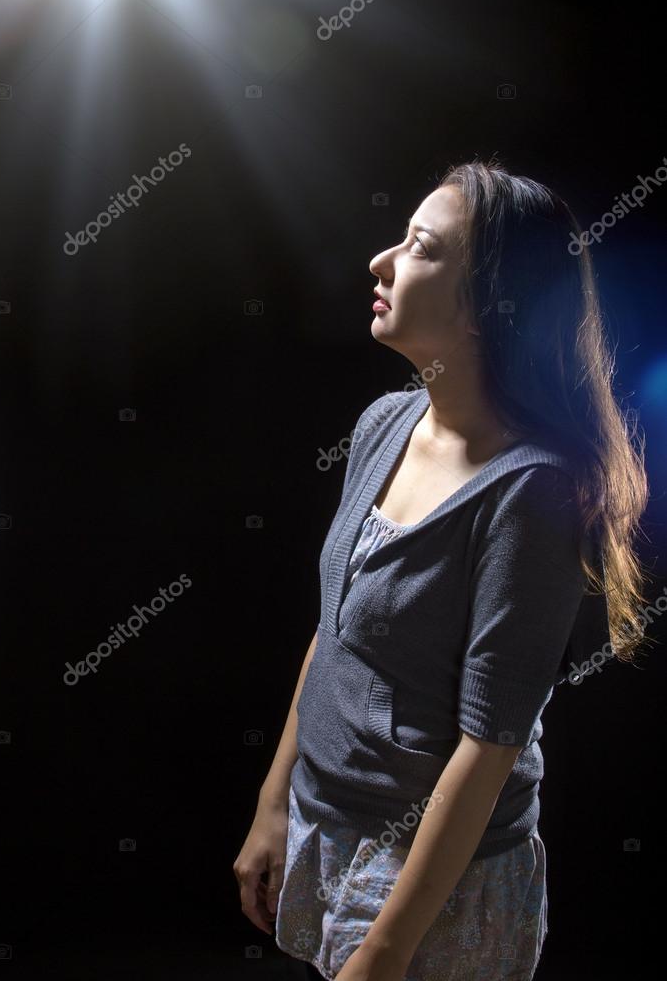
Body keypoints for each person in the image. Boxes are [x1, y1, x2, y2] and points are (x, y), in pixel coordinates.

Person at [232, 158, 650, 981]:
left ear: (485, 309)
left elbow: (488, 747)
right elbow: (336, 628)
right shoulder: (385, 422)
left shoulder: (532, 492)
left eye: (420, 248)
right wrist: (273, 802)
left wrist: (384, 952)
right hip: (331, 824)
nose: (381, 262)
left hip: (436, 877)